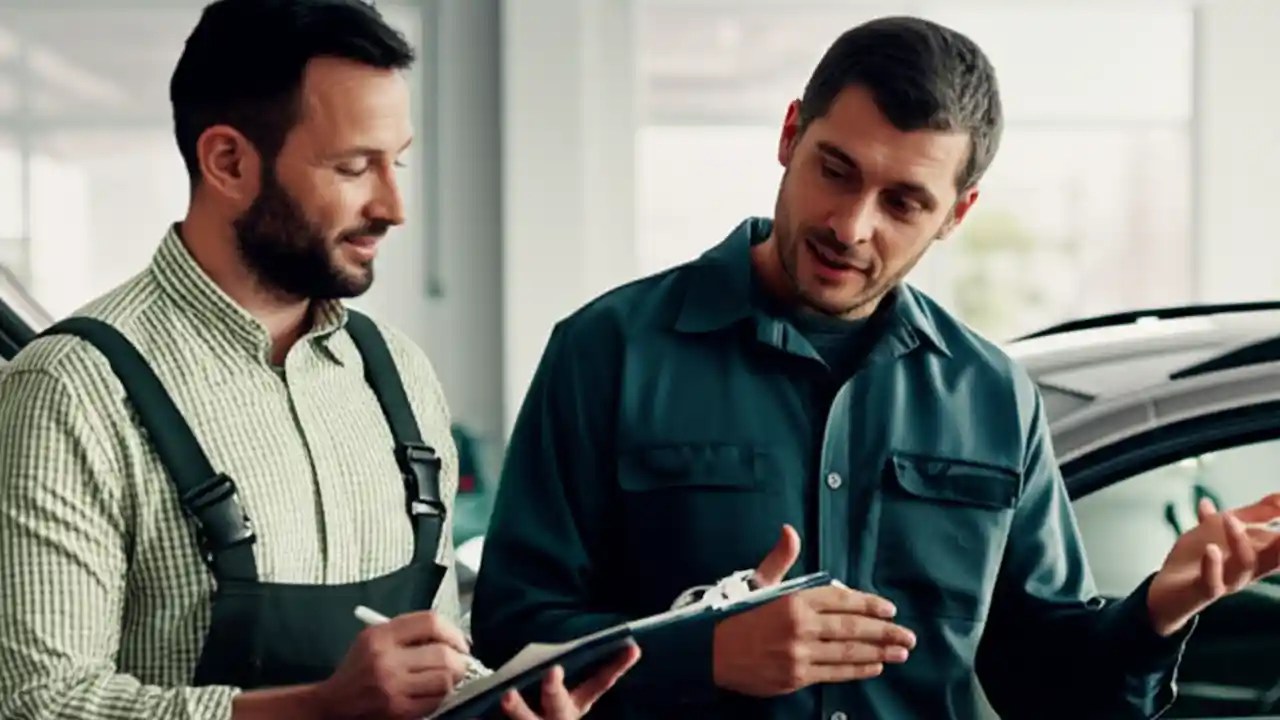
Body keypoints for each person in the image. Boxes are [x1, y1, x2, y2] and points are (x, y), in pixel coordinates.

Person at [470, 15, 1280, 720]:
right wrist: (708, 654)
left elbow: (1053, 692)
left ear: (956, 213)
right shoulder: (607, 351)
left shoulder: (994, 397)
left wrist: (1159, 610)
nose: (852, 226)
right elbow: (511, 640)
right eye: (836, 170)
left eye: (904, 203)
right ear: (791, 134)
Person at [0, 1, 637, 719]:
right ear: (228, 162)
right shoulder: (71, 389)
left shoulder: (398, 376)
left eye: (397, 162)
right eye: (353, 166)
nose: (393, 206)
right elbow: (37, 704)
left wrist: (496, 705)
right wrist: (320, 708)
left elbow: (434, 666)